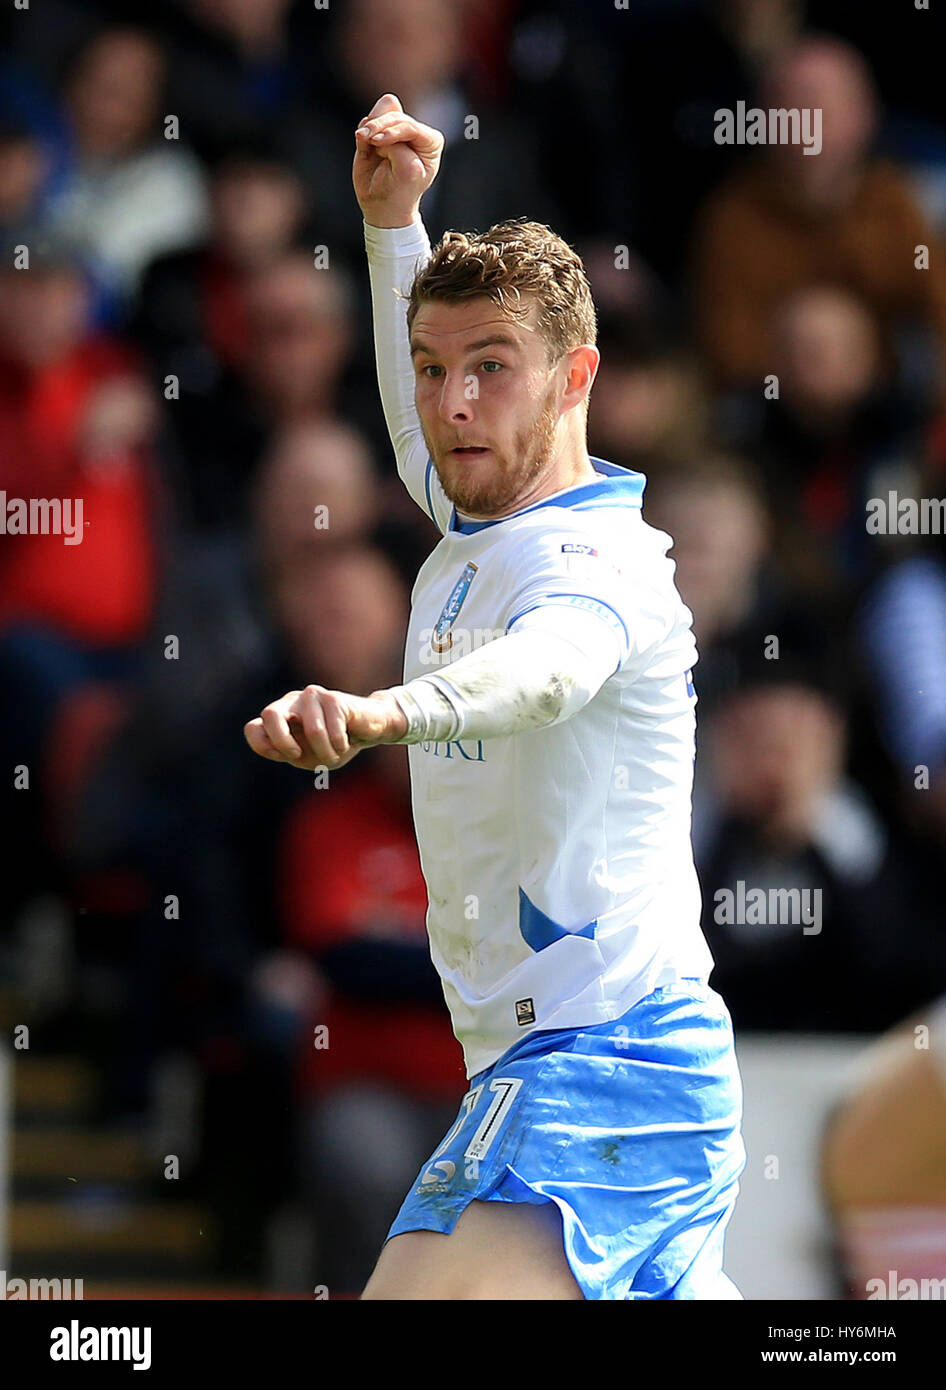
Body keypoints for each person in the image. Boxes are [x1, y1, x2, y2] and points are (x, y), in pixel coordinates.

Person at [244, 93, 746, 1301]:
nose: (451, 402)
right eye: (434, 369)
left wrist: (381, 712)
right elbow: (410, 407)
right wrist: (390, 226)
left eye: (490, 369)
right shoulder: (479, 509)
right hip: (560, 1060)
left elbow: (542, 673)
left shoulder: (598, 564)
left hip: (609, 1066)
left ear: (574, 378)